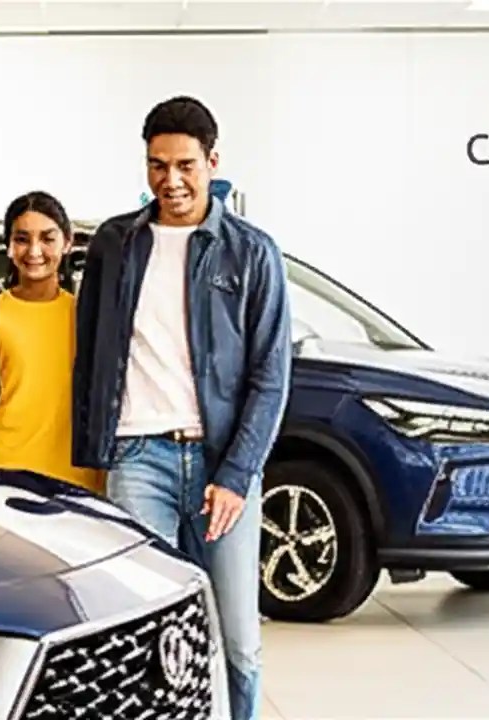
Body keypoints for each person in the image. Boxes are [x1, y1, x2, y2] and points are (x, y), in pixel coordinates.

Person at [71, 96, 292, 720]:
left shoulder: (252, 251)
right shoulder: (116, 244)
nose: (170, 180)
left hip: (222, 466)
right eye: (157, 165)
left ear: (212, 162)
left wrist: (238, 474)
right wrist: (96, 453)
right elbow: (91, 352)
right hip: (138, 460)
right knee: (145, 632)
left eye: (185, 165)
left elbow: (270, 375)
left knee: (238, 640)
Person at [0, 191, 103, 494]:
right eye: (22, 239)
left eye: (47, 238)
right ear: (8, 246)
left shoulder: (86, 315)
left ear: (67, 243)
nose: (34, 251)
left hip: (77, 479)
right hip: (3, 473)